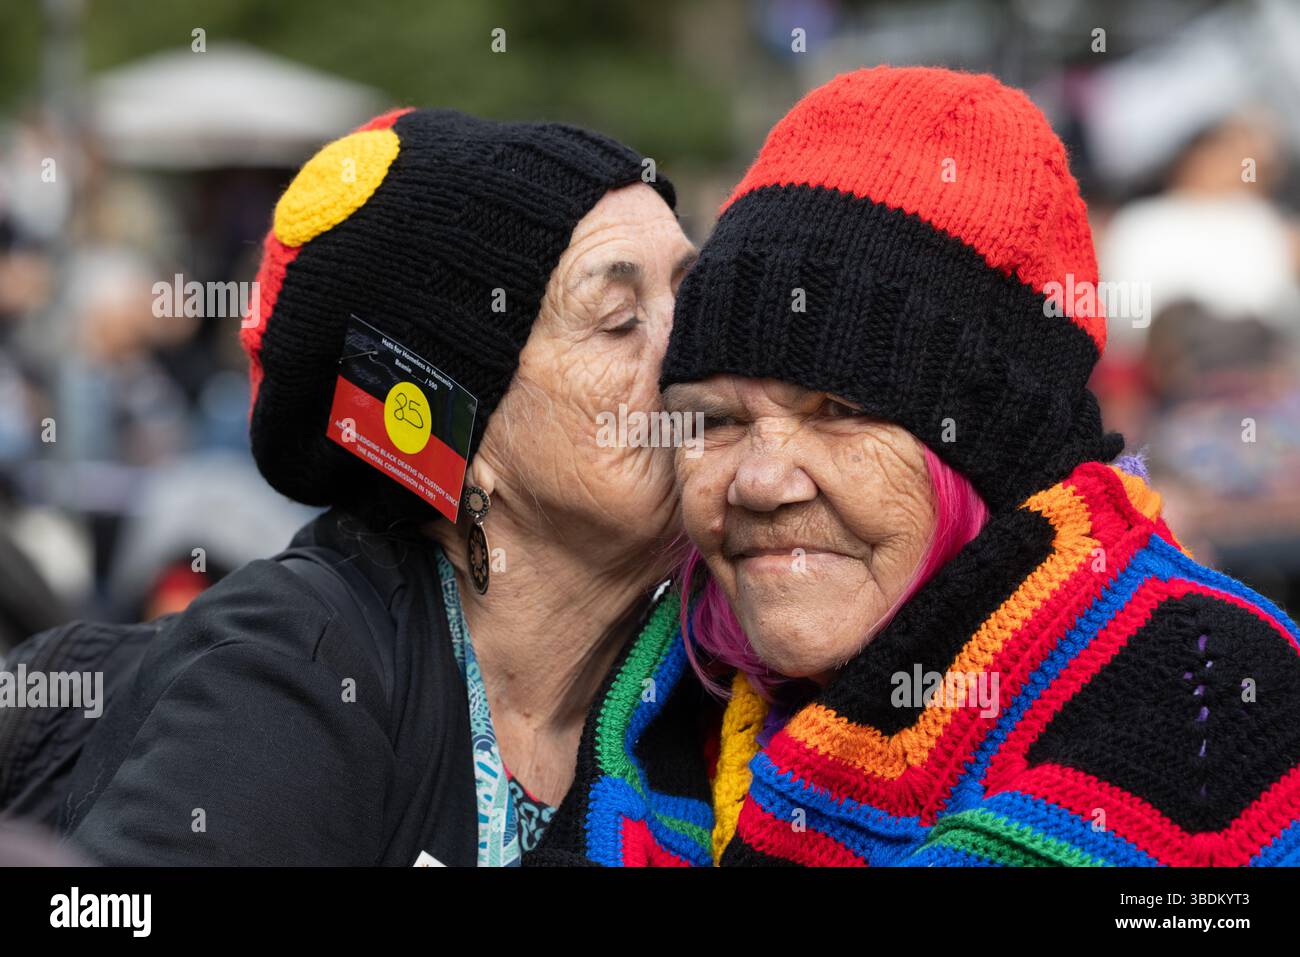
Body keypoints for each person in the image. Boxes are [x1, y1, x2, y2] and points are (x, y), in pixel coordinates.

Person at [526, 67, 1300, 867]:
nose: (760, 481)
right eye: (714, 420)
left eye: (840, 412)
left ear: (991, 457)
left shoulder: (1204, 701)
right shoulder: (664, 703)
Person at [58, 107, 698, 866]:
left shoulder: (732, 664)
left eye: (695, 296)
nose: (694, 349)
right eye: (621, 319)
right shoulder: (294, 670)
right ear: (464, 436)